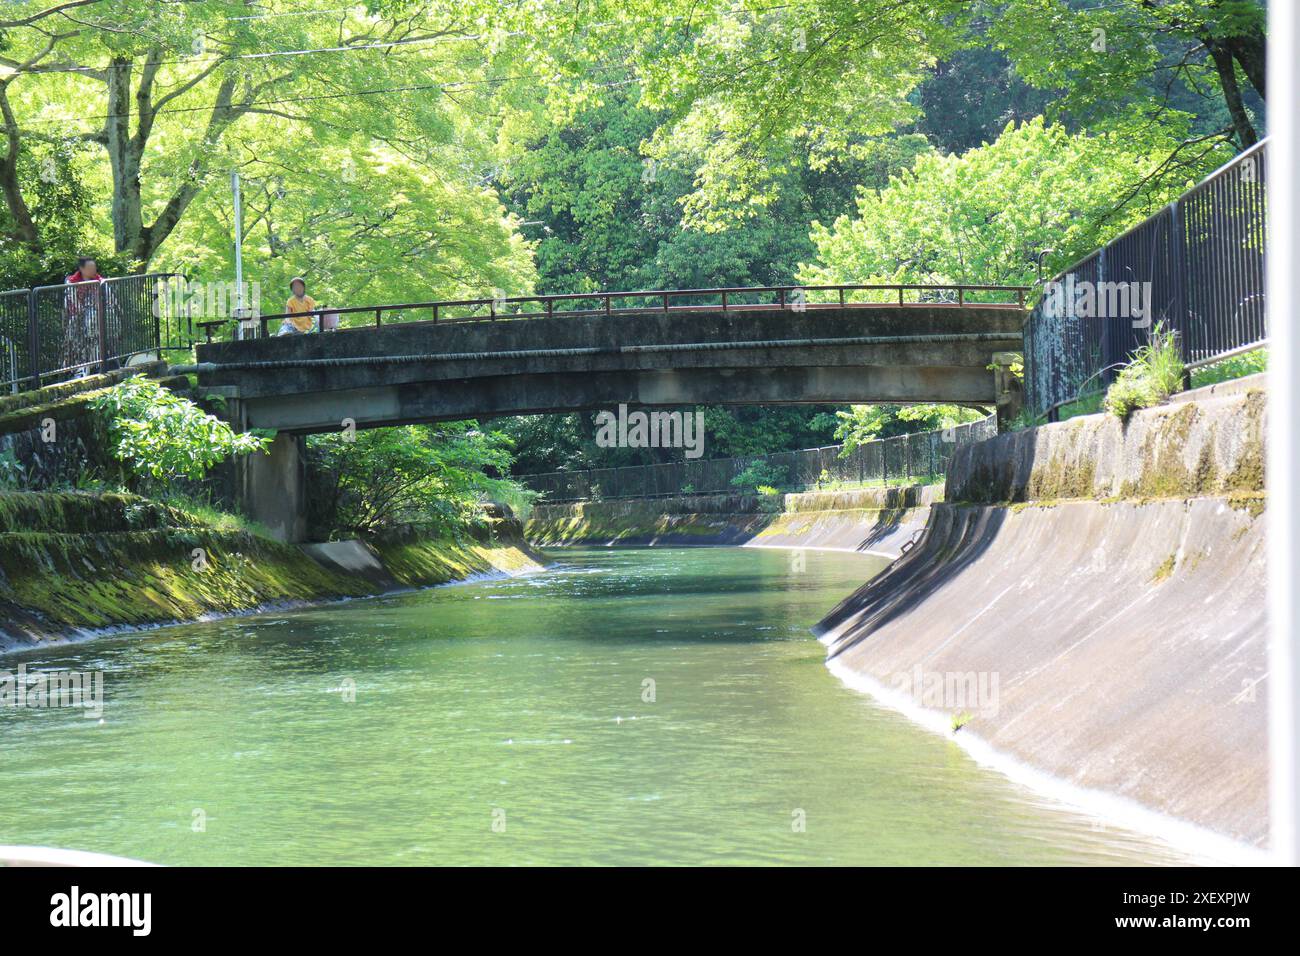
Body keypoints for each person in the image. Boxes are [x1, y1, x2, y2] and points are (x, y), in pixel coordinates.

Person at [63, 256, 106, 376]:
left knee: (97, 340)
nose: (93, 270)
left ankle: (96, 366)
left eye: (94, 267)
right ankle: (74, 369)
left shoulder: (99, 280)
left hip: (94, 318)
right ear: (82, 269)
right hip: (76, 317)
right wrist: (81, 313)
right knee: (73, 341)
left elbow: (107, 297)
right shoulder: (72, 282)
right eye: (90, 268)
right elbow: (72, 302)